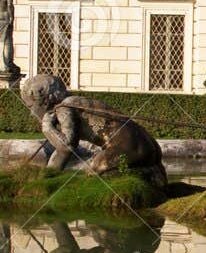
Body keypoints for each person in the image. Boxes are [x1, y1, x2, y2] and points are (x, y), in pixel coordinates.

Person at [19, 74, 167, 190]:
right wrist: (48, 177)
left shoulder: (64, 108)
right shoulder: (74, 101)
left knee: (92, 170)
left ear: (43, 100)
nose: (32, 113)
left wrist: (48, 128)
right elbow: (62, 150)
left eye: (30, 106)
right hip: (149, 145)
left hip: (126, 147)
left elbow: (67, 147)